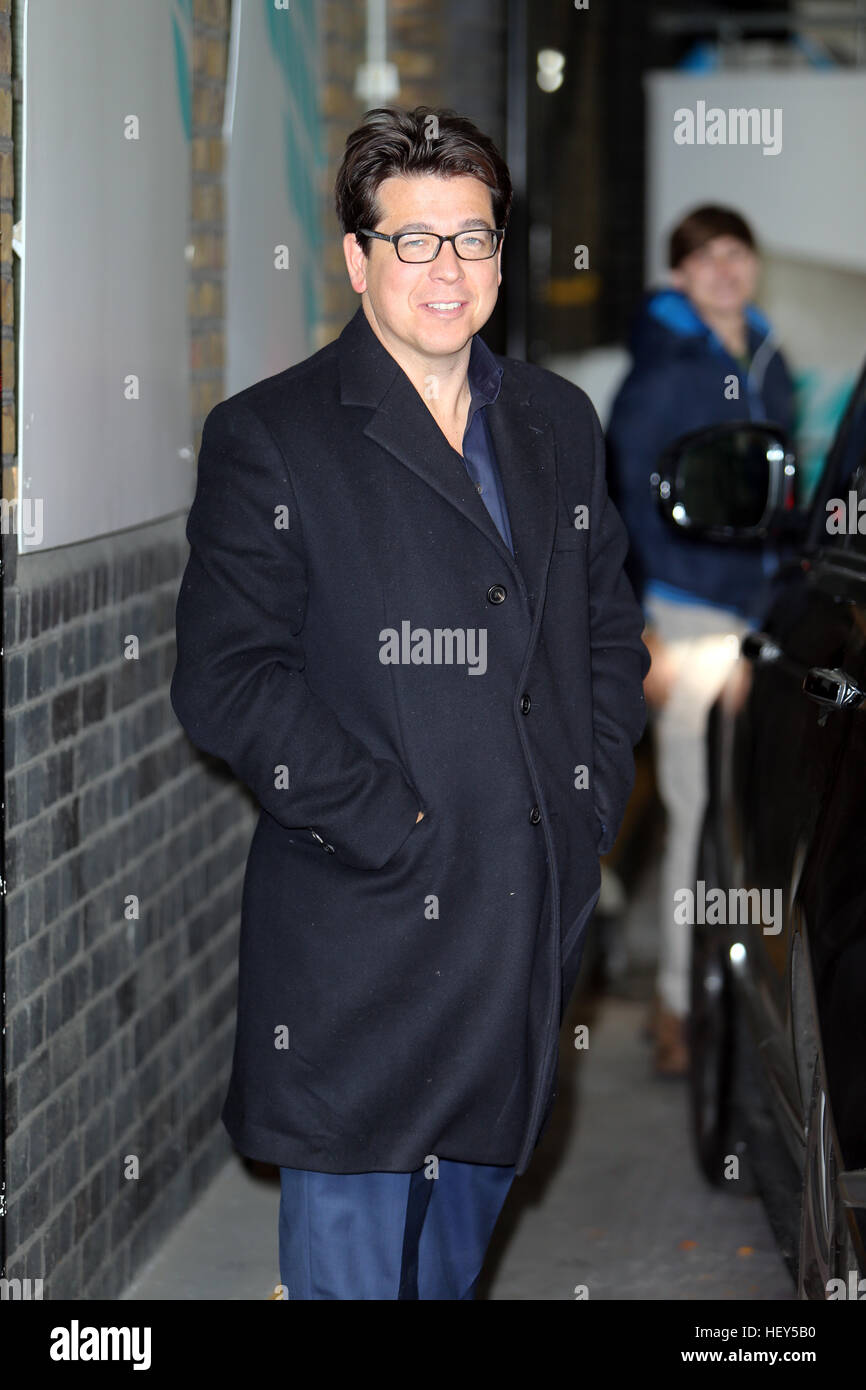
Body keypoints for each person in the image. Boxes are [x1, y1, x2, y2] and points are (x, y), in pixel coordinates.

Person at [170, 105, 648, 1300]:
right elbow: (226, 678)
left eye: (473, 239)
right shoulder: (272, 438)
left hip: (522, 931)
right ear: (357, 258)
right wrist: (391, 822)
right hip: (365, 940)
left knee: (446, 1271)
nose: (449, 271)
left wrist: (588, 796)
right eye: (415, 242)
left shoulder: (554, 422)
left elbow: (602, 630)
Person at [606, 205, 796, 1076]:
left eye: (736, 253)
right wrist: (642, 619)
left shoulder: (766, 359)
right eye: (704, 257)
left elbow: (777, 494)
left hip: (753, 616)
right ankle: (680, 1006)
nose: (723, 269)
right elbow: (623, 505)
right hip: (685, 612)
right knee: (693, 810)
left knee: (746, 813)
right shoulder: (665, 371)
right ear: (679, 275)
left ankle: (736, 997)